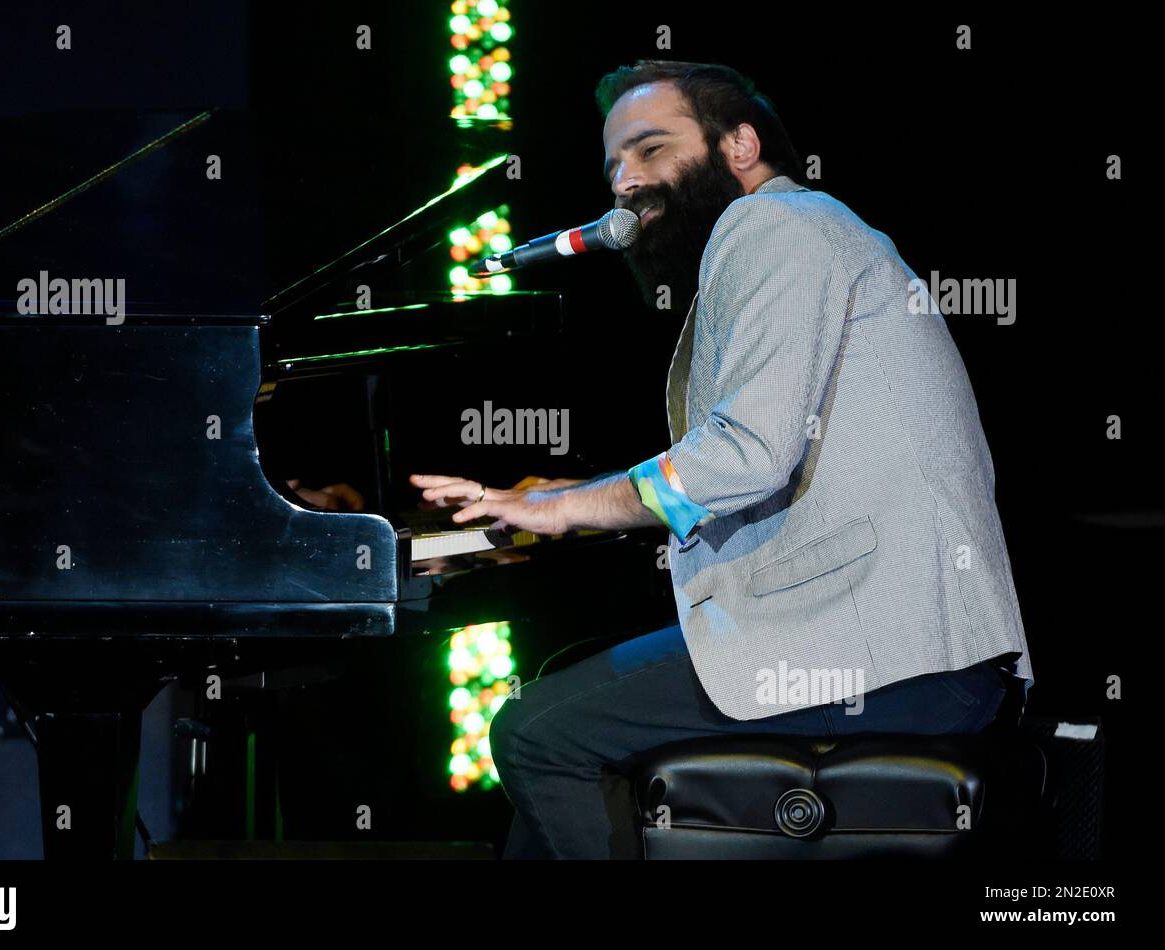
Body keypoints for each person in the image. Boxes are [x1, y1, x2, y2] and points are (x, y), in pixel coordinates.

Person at [411, 60, 1032, 859]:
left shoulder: (775, 227)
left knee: (535, 731)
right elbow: (743, 452)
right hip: (895, 648)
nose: (626, 183)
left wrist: (562, 509)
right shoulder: (800, 236)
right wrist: (586, 494)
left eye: (650, 149)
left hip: (890, 654)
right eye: (613, 167)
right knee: (564, 697)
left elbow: (748, 454)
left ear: (740, 144)